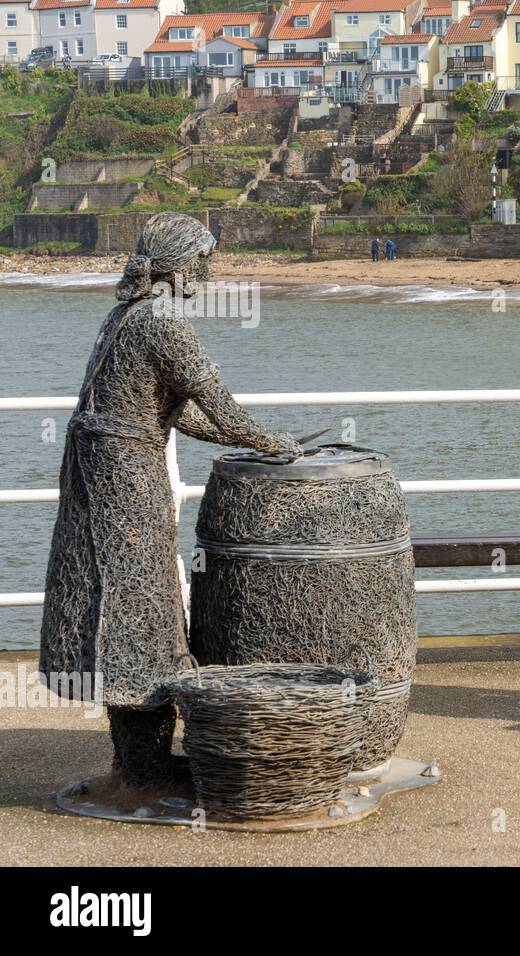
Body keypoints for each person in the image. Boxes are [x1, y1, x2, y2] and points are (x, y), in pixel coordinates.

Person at [39, 212, 300, 787]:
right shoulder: (164, 321)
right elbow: (219, 404)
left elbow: (183, 416)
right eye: (202, 262)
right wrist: (269, 441)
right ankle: (147, 761)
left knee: (119, 599)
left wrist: (248, 437)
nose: (208, 274)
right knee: (139, 599)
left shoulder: (125, 315)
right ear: (180, 267)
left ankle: (139, 757)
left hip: (98, 469)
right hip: (125, 476)